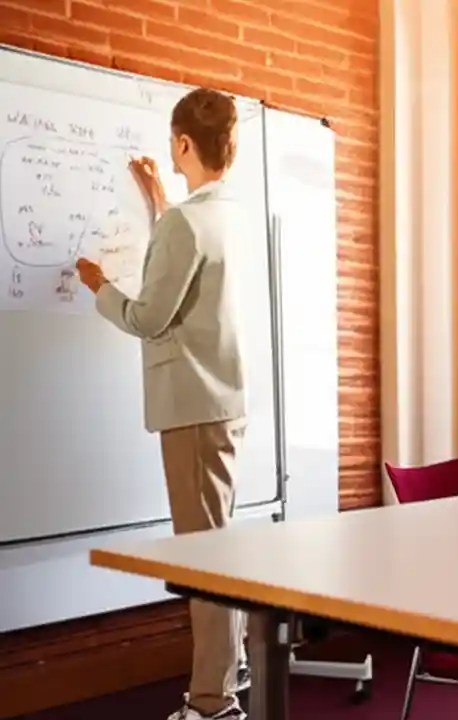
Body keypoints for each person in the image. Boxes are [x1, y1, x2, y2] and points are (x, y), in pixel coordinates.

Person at [76, 87, 250, 720]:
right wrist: (157, 200)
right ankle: (231, 669)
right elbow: (185, 256)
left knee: (203, 560)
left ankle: (212, 703)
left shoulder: (185, 224)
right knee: (218, 548)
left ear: (182, 143)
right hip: (221, 401)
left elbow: (150, 317)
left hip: (191, 408)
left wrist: (101, 286)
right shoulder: (224, 212)